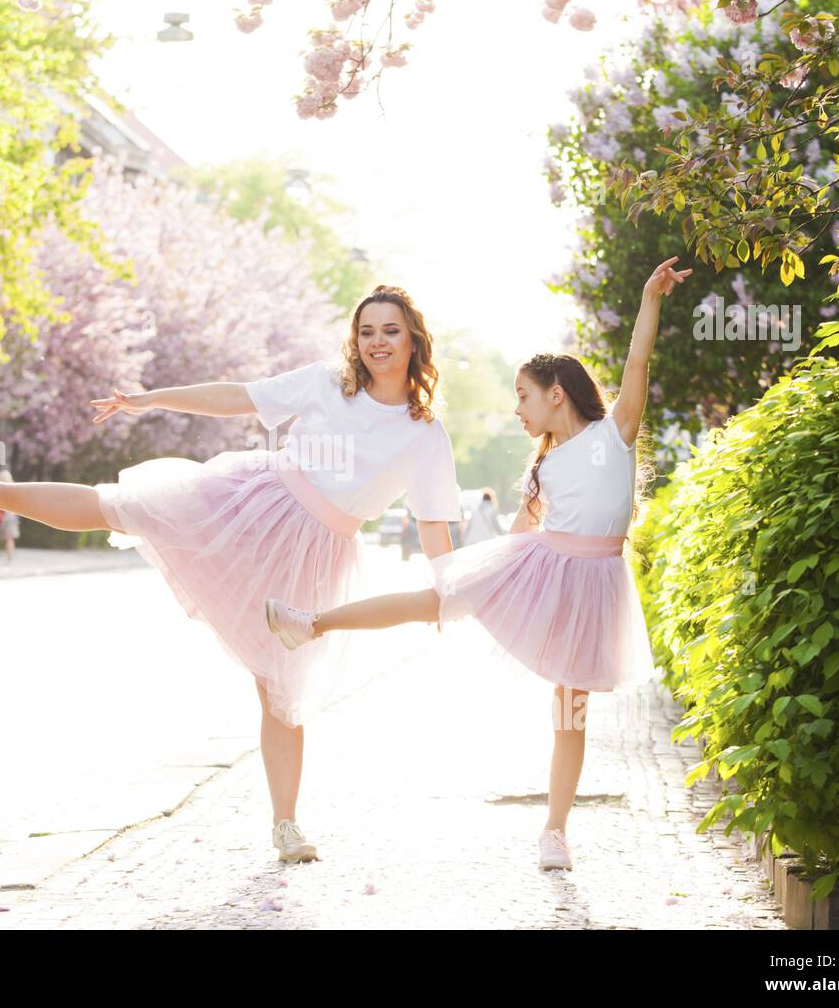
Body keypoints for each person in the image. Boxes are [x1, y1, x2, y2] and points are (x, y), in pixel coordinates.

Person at [0, 285, 461, 863]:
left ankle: (285, 825)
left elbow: (434, 522)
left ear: (413, 337)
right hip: (254, 501)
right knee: (122, 505)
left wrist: (446, 589)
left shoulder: (423, 432)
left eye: (390, 331)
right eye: (366, 331)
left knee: (279, 691)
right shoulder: (324, 382)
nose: (377, 343)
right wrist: (154, 397)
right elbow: (237, 397)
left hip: (314, 552)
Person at [265, 257, 692, 871]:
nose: (517, 410)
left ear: (556, 393)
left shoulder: (614, 435)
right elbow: (523, 531)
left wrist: (651, 298)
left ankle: (555, 833)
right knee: (436, 597)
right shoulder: (543, 466)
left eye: (522, 396)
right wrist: (477, 575)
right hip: (540, 566)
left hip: (592, 590)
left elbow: (636, 365)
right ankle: (312, 622)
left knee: (570, 713)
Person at [0, 469, 20, 562]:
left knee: (8, 538)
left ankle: (9, 557)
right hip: (12, 516)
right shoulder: (14, 488)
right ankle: (10, 556)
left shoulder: (0, 490)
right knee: (10, 538)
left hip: (5, 516)